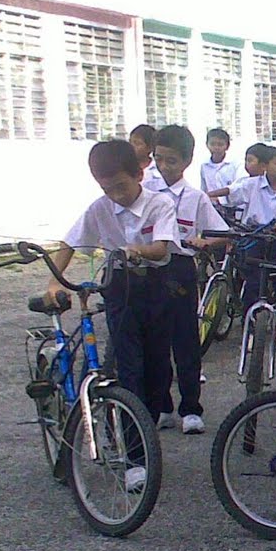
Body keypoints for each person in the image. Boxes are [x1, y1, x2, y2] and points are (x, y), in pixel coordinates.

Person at [45, 139, 178, 491]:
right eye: (107, 189)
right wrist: (54, 282)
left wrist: (136, 250)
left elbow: (161, 247)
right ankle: (135, 458)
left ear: (139, 174)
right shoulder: (99, 208)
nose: (116, 196)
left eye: (121, 186)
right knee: (129, 372)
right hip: (120, 289)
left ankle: (144, 435)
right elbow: (70, 243)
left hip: (157, 288)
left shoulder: (160, 203)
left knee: (158, 374)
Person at [150, 124, 225, 434]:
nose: (164, 166)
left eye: (171, 161)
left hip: (180, 269)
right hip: (150, 270)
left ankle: (191, 408)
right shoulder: (146, 193)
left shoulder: (195, 198)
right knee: (155, 343)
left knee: (185, 341)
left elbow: (222, 234)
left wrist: (205, 242)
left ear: (187, 161)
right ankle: (163, 406)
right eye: (158, 159)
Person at [229, 144, 276, 337]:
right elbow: (229, 193)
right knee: (253, 284)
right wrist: (209, 196)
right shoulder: (251, 185)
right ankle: (249, 328)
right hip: (255, 238)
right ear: (265, 166)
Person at [199, 128, 239, 197]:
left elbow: (237, 188)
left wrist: (215, 197)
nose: (216, 147)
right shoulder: (204, 165)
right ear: (207, 144)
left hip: (233, 203)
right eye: (212, 144)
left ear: (227, 146)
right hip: (211, 202)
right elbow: (204, 188)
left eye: (220, 144)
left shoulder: (235, 164)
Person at [129, 124, 161, 188]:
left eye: (137, 143)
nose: (131, 146)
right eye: (130, 142)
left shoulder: (158, 169)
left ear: (150, 147)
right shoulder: (124, 166)